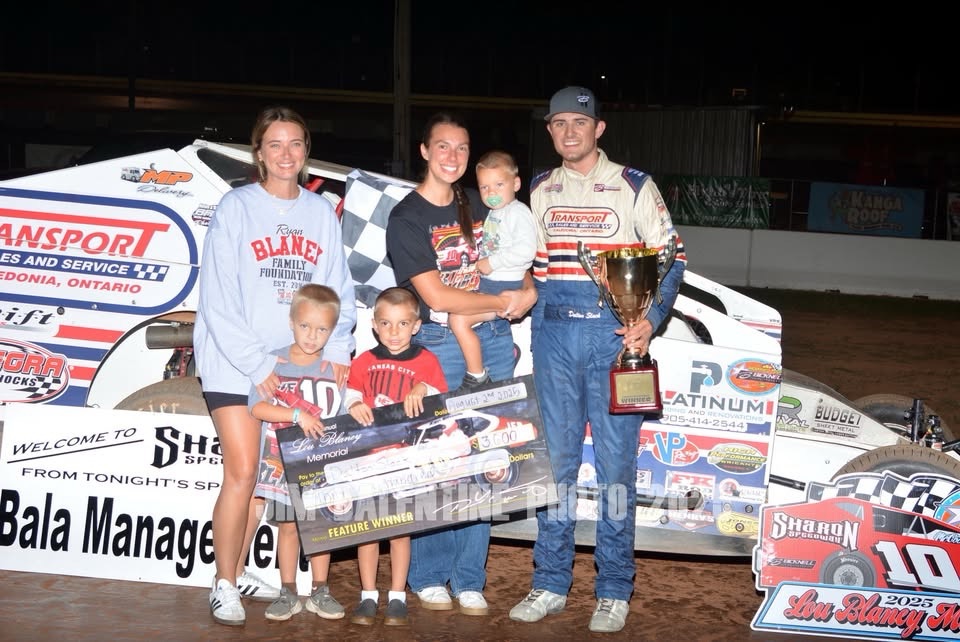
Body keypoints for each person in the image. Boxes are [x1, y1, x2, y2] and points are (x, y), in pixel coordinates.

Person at [509, 86, 687, 633]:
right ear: (549, 130)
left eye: (579, 123)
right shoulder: (538, 188)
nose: (569, 132)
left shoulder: (633, 185)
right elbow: (526, 264)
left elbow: (672, 256)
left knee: (615, 470)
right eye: (559, 123)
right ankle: (549, 583)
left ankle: (612, 589)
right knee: (556, 467)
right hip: (555, 336)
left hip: (614, 340)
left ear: (598, 128)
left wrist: (650, 319)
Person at [194, 105, 356, 626]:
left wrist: (337, 350)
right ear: (258, 153)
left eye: (295, 144)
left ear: (306, 152)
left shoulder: (320, 212)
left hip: (296, 367)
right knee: (243, 471)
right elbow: (217, 297)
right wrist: (257, 363)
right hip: (235, 362)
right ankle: (223, 584)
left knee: (270, 484)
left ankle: (237, 570)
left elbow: (336, 288)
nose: (286, 154)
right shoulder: (236, 207)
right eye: (275, 144)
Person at [385, 113, 538, 616]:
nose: (452, 156)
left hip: (493, 338)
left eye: (462, 148)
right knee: (439, 455)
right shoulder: (407, 217)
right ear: (424, 151)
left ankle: (470, 576)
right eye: (443, 146)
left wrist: (527, 289)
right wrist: (501, 303)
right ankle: (430, 574)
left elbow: (515, 259)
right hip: (441, 341)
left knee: (488, 455)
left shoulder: (478, 202)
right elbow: (435, 295)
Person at [344, 286, 449, 626]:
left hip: (407, 459)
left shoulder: (427, 360)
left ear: (416, 326)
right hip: (370, 459)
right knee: (367, 529)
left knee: (400, 530)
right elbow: (350, 394)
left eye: (403, 324)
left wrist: (423, 387)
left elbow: (440, 396)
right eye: (386, 323)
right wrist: (354, 404)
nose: (394, 332)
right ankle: (368, 595)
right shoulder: (364, 361)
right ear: (374, 325)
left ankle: (398, 596)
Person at [248, 284, 346, 622]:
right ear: (291, 322)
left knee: (321, 526)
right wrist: (295, 415)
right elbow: (257, 408)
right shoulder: (273, 362)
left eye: (322, 330)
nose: (312, 336)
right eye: (305, 326)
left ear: (332, 331)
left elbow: (345, 412)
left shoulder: (335, 367)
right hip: (282, 463)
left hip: (322, 464)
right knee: (288, 527)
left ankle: (320, 590)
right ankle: (287, 591)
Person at [448, 151, 537, 390]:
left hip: (504, 287)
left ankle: (477, 375)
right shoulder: (494, 213)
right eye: (484, 187)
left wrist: (492, 263)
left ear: (515, 184)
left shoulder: (518, 212)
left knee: (458, 319)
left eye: (499, 184)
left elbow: (527, 251)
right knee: (457, 312)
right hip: (491, 283)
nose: (491, 192)